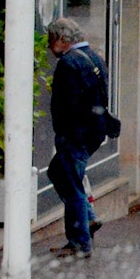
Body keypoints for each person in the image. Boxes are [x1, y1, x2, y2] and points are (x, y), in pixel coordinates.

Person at [46, 18, 113, 258]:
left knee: (71, 184)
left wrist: (65, 133)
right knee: (58, 173)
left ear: (62, 39)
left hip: (75, 134)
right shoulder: (94, 57)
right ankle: (89, 218)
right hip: (93, 131)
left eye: (51, 40)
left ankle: (80, 242)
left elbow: (67, 104)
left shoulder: (68, 63)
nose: (49, 47)